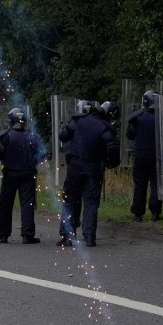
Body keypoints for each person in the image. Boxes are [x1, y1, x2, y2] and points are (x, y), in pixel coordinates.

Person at [58, 99, 119, 247]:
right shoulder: (104, 126)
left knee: (71, 200)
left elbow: (63, 136)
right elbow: (112, 147)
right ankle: (90, 237)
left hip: (75, 166)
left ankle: (67, 236)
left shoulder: (78, 120)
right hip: (93, 167)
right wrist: (112, 162)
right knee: (91, 203)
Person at [0, 107, 43, 244]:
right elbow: (41, 154)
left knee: (5, 203)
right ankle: (27, 235)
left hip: (10, 173)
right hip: (28, 172)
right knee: (28, 203)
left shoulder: (6, 136)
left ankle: (3, 235)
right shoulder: (33, 136)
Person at [127, 91, 159, 222]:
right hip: (157, 155)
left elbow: (130, 135)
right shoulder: (160, 117)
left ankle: (138, 213)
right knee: (156, 184)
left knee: (140, 184)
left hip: (141, 154)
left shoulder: (137, 117)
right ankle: (155, 212)